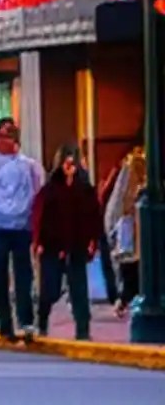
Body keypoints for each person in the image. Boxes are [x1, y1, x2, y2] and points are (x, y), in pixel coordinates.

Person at [0, 118, 45, 340]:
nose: (4, 141)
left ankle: (26, 320)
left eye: (10, 136)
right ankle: (4, 322)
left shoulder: (28, 166)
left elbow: (36, 193)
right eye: (1, 136)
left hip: (20, 228)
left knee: (23, 274)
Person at [32, 145, 101, 340]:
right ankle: (42, 320)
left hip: (76, 246)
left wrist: (92, 241)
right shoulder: (50, 190)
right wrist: (39, 242)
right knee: (50, 289)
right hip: (53, 248)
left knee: (79, 290)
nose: (70, 167)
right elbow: (40, 216)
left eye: (73, 163)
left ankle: (83, 329)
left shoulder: (85, 190)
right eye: (66, 162)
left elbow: (93, 217)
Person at [105, 147, 147, 318]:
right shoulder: (133, 189)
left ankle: (123, 301)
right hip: (132, 243)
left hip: (130, 245)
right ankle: (123, 302)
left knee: (129, 276)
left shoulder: (127, 187)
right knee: (132, 275)